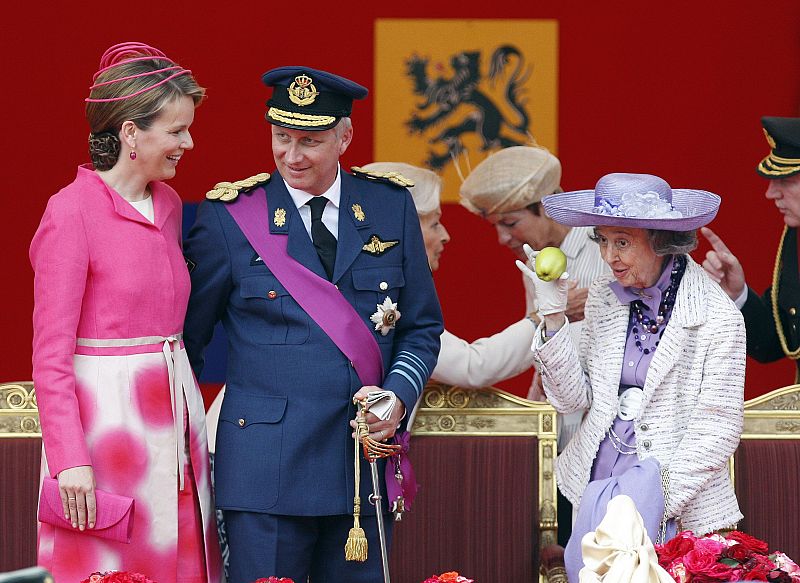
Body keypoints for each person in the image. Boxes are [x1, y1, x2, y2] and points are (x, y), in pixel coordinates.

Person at [182, 66, 443, 583]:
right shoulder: (230, 217)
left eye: (311, 140)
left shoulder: (390, 207)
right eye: (282, 137)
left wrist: (397, 397)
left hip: (358, 462)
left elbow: (421, 327)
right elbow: (188, 340)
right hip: (264, 470)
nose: (292, 156)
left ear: (345, 136)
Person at [30, 42, 221, 583]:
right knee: (111, 566)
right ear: (131, 133)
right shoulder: (70, 212)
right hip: (107, 428)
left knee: (181, 560)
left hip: (175, 414)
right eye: (177, 130)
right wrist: (70, 460)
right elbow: (50, 355)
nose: (189, 141)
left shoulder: (169, 205)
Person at [521, 172, 745, 583]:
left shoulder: (717, 315)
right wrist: (553, 322)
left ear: (660, 240)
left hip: (678, 494)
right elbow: (572, 400)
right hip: (596, 481)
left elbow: (718, 428)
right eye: (602, 240)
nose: (608, 256)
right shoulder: (606, 297)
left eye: (621, 241)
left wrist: (650, 498)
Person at [361, 161, 539, 388]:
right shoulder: (383, 300)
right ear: (403, 228)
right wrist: (541, 320)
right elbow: (471, 367)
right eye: (435, 224)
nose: (445, 235)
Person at [702, 116, 800, 381]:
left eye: (785, 180)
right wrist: (738, 295)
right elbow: (776, 342)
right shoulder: (793, 238)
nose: (770, 193)